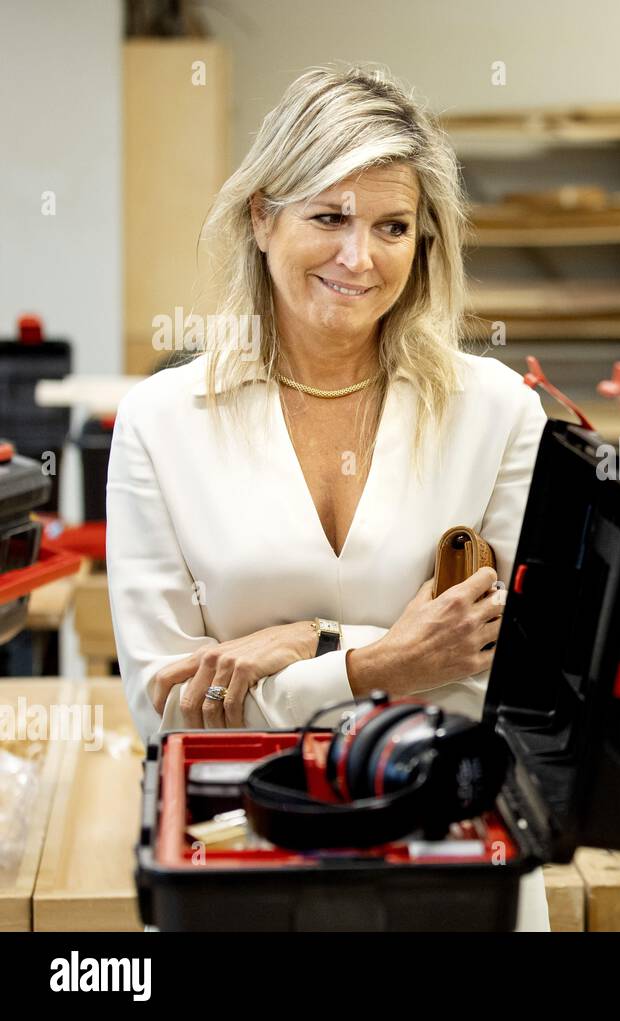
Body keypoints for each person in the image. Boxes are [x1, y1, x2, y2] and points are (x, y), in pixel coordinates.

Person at [105, 66, 550, 929]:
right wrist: (372, 663)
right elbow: (167, 713)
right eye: (329, 216)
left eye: (393, 226)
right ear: (262, 216)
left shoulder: (495, 410)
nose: (361, 258)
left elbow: (514, 683)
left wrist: (296, 648)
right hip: (242, 858)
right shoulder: (162, 421)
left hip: (449, 858)